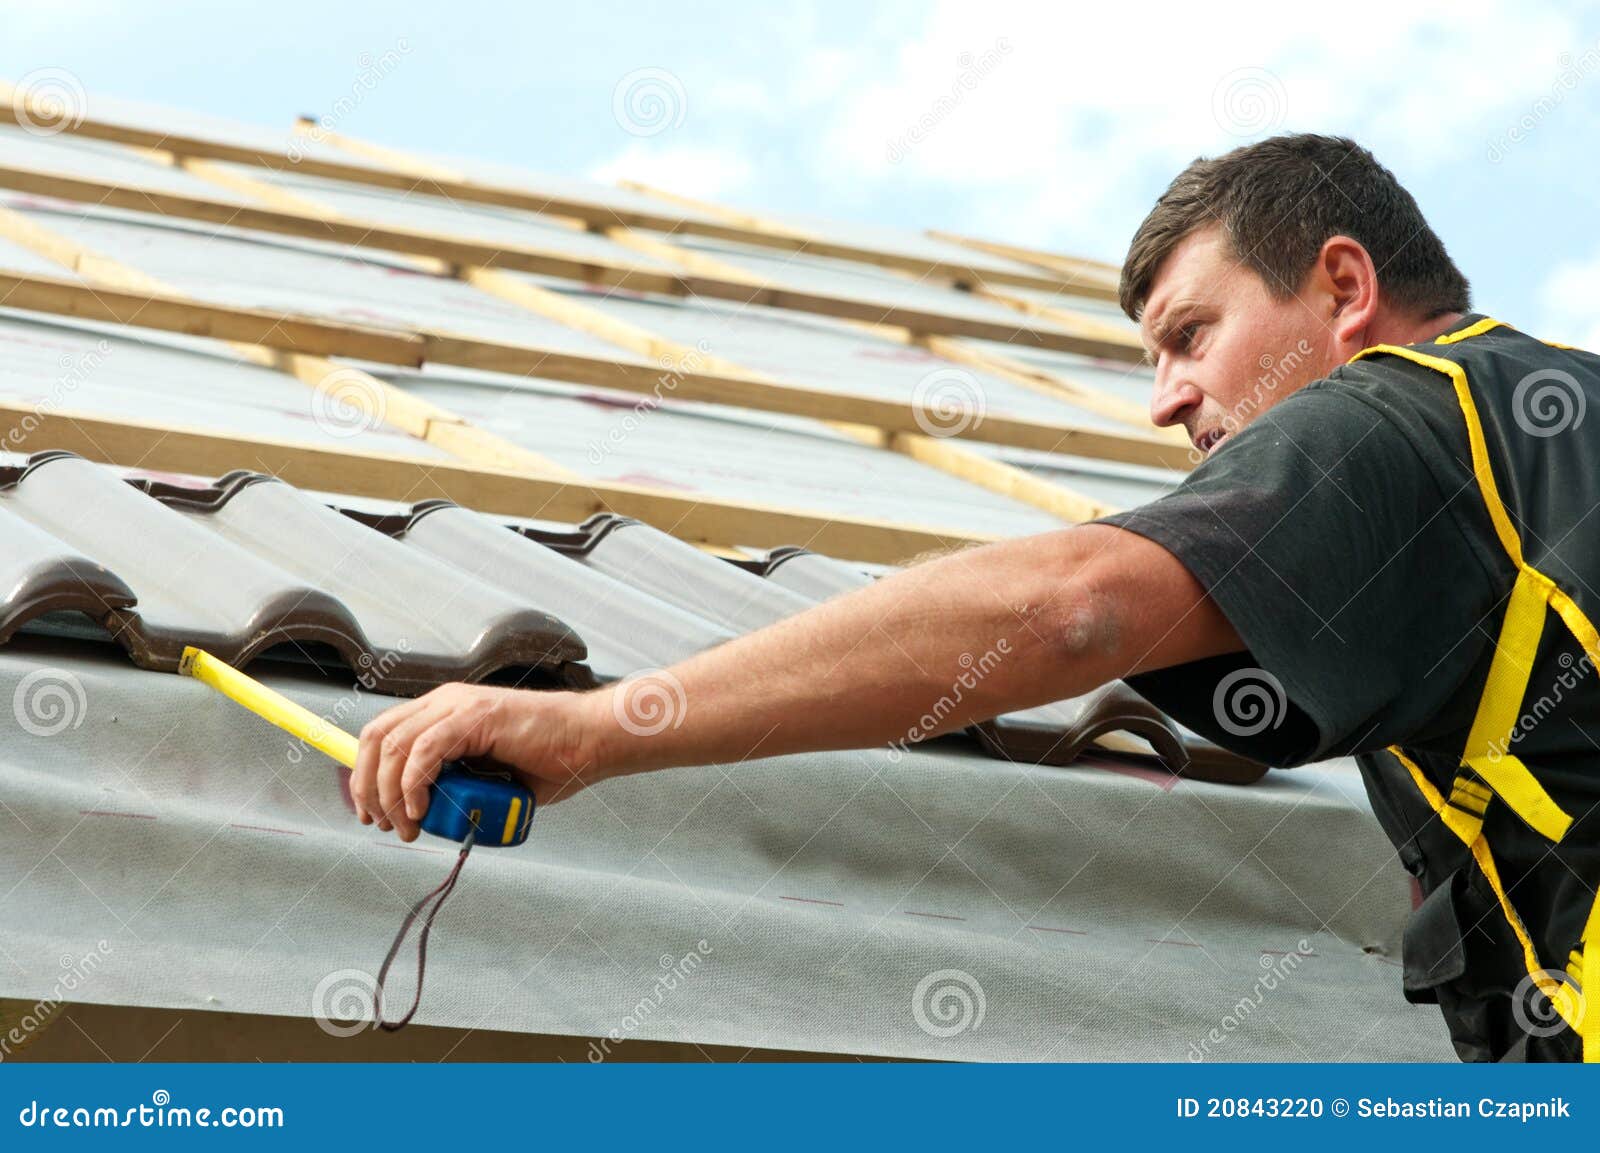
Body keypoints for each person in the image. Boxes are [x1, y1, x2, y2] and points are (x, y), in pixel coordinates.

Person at [353, 134, 1600, 1063]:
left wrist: (596, 726)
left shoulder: (1403, 418)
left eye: (1190, 334)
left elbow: (1070, 607)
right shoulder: (1553, 425)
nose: (1163, 401)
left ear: (1342, 287)